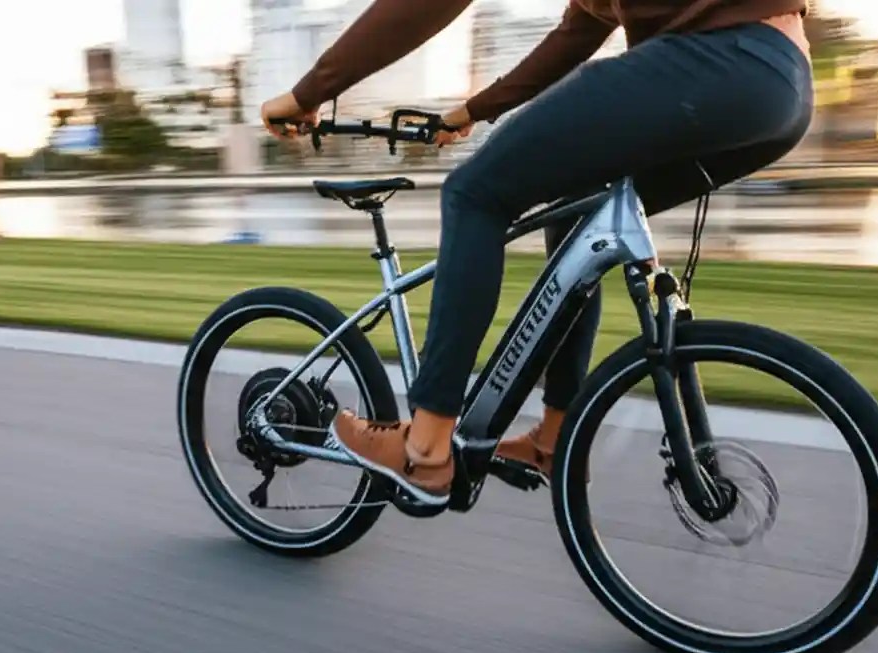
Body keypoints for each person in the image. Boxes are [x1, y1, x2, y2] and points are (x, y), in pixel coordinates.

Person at [260, 0, 814, 507]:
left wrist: (310, 92)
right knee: (580, 204)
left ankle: (425, 448)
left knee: (474, 193)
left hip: (715, 60)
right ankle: (555, 434)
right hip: (779, 91)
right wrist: (474, 110)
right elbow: (579, 30)